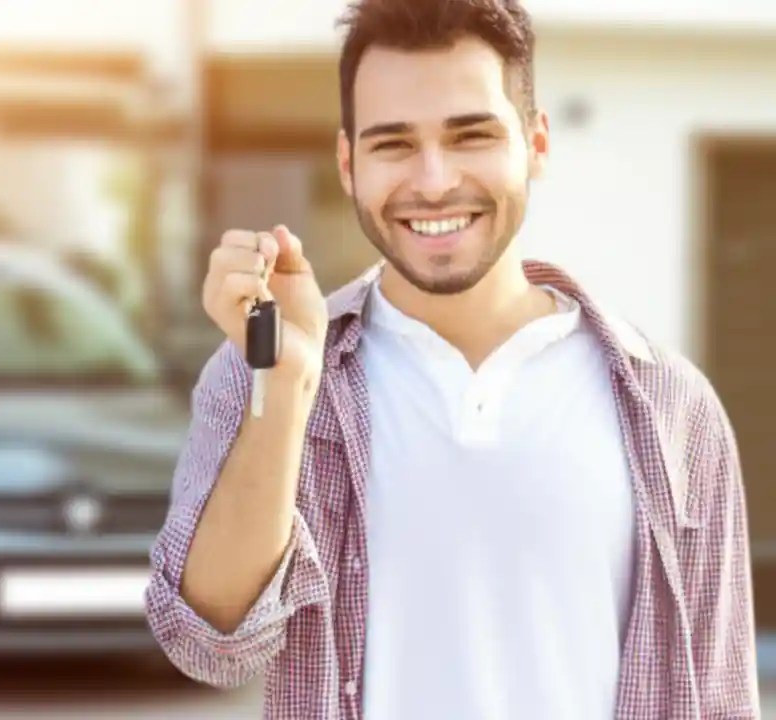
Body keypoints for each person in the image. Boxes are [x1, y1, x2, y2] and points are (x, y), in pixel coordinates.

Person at [144, 0, 760, 718]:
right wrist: (284, 390)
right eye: (394, 144)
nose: (434, 181)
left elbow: (721, 698)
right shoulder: (262, 373)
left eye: (471, 136)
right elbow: (210, 648)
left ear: (536, 144)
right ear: (348, 165)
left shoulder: (673, 405)